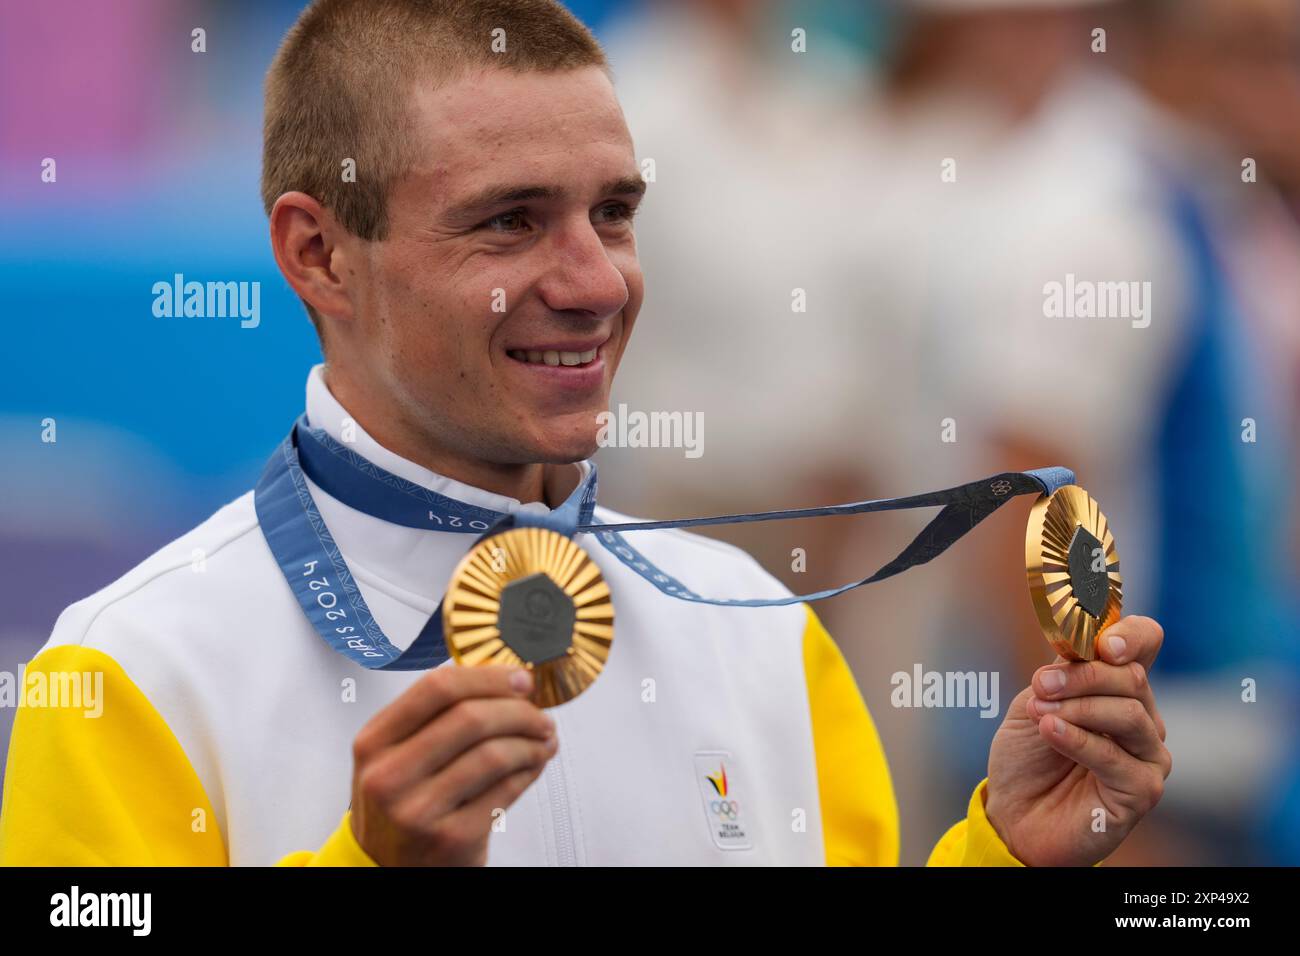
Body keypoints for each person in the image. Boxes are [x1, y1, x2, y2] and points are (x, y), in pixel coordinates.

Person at [0, 0, 1169, 867]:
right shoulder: (133, 675)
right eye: (509, 221)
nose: (596, 282)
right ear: (317, 253)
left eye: (613, 212)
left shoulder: (761, 637)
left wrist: (1003, 855)